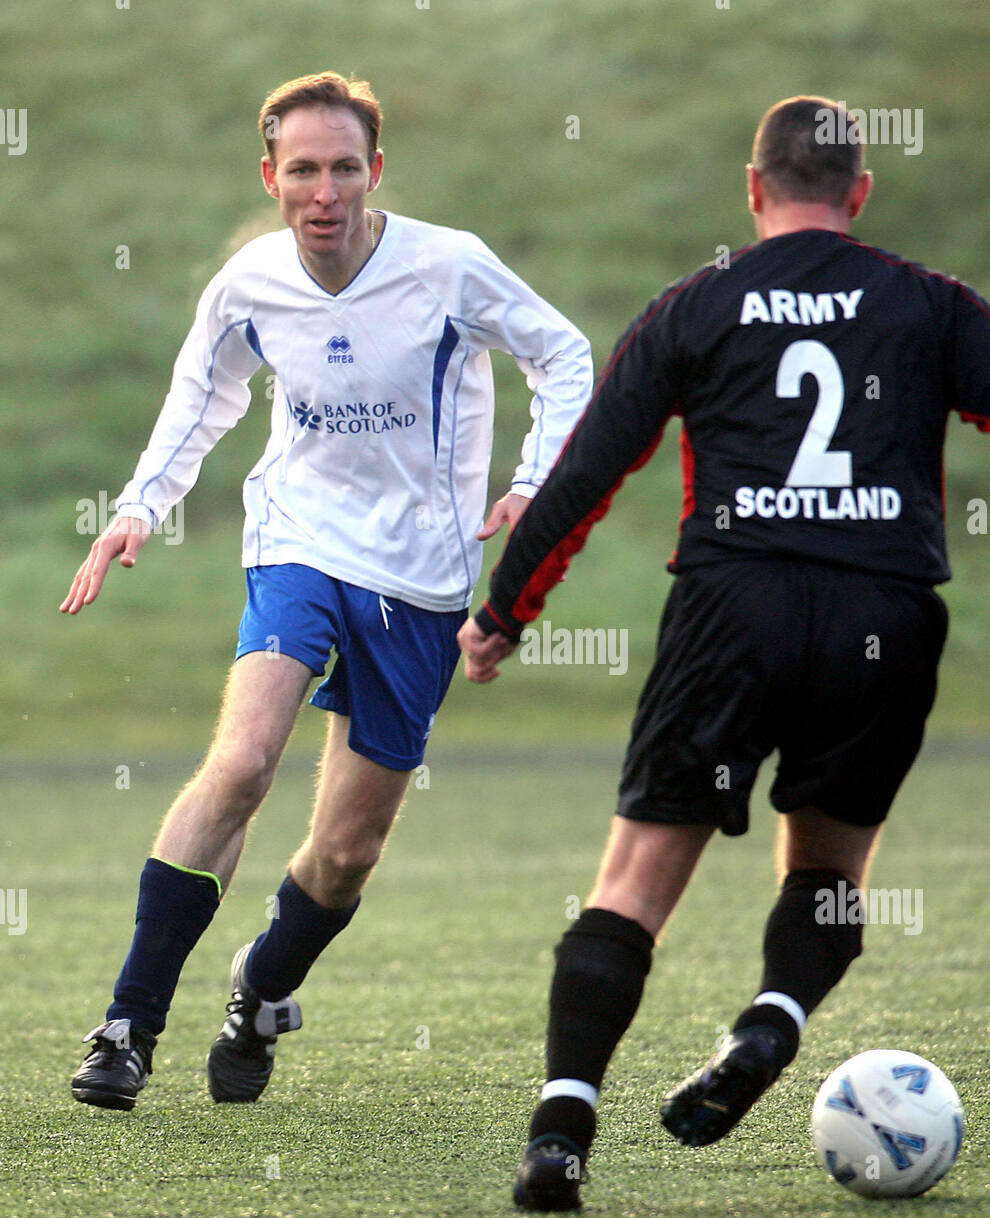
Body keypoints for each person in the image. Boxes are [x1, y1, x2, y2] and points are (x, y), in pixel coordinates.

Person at [457, 95, 990, 1211]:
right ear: (858, 193)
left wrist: (506, 611)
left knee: (631, 885)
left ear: (754, 188)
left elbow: (591, 466)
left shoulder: (699, 303)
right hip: (885, 613)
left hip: (733, 607)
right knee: (826, 871)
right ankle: (773, 1021)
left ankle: (561, 1134)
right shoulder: (933, 303)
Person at [63, 71, 593, 1111]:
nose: (325, 190)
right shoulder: (251, 283)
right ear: (270, 177)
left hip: (424, 577)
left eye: (345, 167)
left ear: (376, 171)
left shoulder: (448, 267)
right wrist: (138, 506)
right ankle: (128, 1024)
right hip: (297, 544)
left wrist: (535, 482)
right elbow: (199, 397)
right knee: (246, 759)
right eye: (302, 169)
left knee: (346, 852)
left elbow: (563, 355)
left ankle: (260, 988)